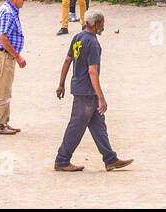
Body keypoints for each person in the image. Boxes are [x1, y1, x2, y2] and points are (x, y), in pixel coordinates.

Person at [54, 10, 132, 173]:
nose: (103, 25)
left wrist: (61, 84)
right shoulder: (93, 43)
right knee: (76, 126)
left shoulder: (78, 37)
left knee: (98, 125)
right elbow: (92, 72)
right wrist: (101, 97)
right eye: (102, 23)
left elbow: (68, 61)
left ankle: (110, 159)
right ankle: (62, 160)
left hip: (79, 87)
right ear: (96, 24)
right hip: (87, 92)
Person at [0, 0, 28, 135]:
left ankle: (4, 122)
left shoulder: (8, 10)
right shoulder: (8, 13)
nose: (24, 0)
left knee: (6, 90)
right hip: (3, 55)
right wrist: (17, 56)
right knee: (3, 91)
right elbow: (3, 38)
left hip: (2, 54)